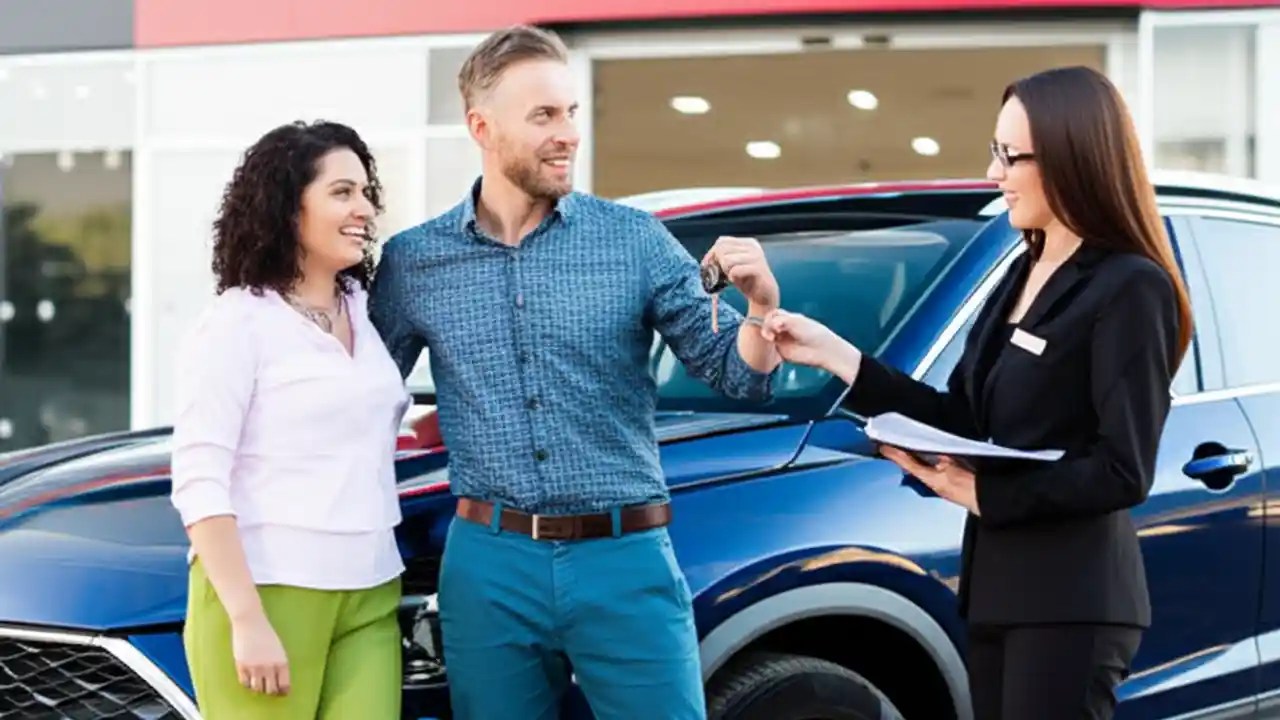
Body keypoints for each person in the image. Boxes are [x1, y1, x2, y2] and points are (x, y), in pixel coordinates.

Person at [368, 24, 781, 720]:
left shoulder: (634, 240)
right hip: (488, 568)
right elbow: (359, 401)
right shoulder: (414, 264)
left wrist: (761, 308)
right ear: (482, 126)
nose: (567, 133)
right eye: (543, 116)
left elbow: (734, 375)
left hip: (625, 560)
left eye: (570, 112)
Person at [758, 66, 1193, 720]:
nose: (994, 172)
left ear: (1074, 157)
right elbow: (960, 415)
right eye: (995, 151)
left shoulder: (1130, 287)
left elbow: (1121, 470)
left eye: (1009, 155)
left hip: (1072, 600)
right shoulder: (1022, 270)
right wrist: (837, 357)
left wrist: (981, 491)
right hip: (995, 588)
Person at [169, 120, 409, 719]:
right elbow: (199, 480)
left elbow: (349, 427)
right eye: (341, 192)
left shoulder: (361, 308)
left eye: (365, 192)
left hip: (372, 588)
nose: (364, 209)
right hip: (269, 591)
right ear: (286, 206)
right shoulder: (237, 322)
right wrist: (246, 620)